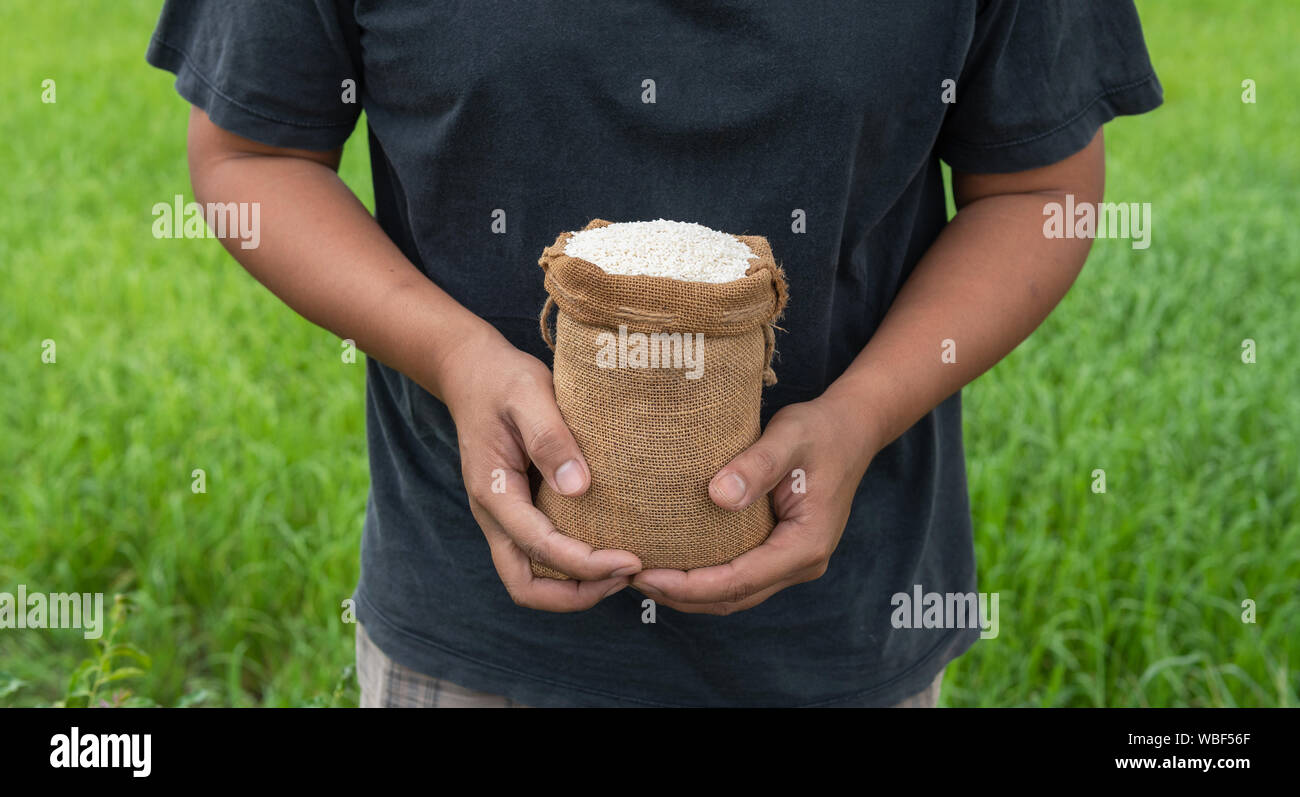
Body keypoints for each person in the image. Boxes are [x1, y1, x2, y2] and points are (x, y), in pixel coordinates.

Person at [147, 1, 1162, 707]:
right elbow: (253, 153)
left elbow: (1034, 189)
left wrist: (859, 414)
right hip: (472, 630)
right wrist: (455, 355)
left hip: (839, 634)